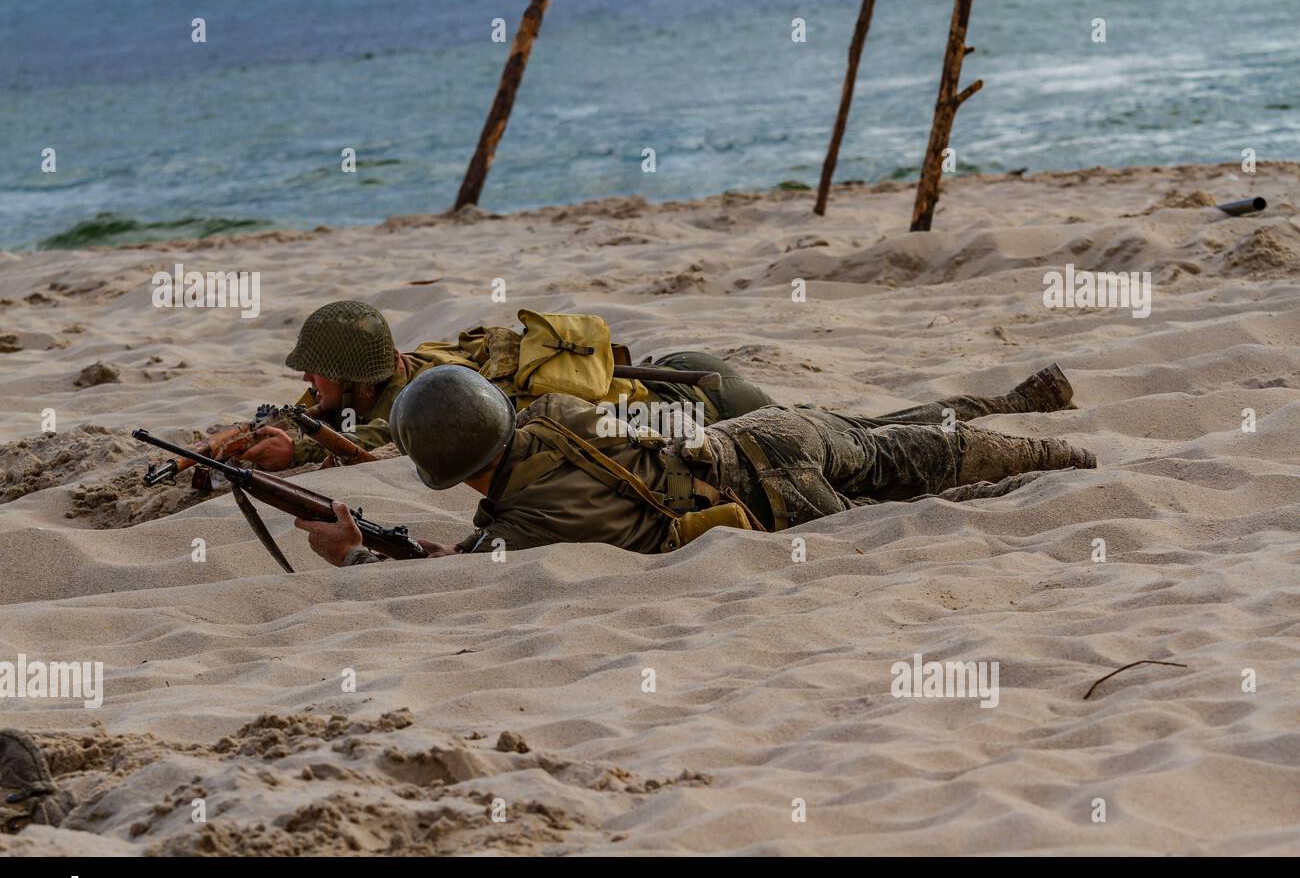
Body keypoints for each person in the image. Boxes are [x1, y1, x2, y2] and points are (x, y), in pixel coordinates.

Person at [293, 364, 1094, 565]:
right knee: (905, 445)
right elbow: (649, 414)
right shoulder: (557, 416)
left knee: (923, 502)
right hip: (767, 434)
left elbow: (468, 578)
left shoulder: (533, 521)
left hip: (778, 506)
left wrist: (355, 552)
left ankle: (1033, 474)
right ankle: (1059, 445)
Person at [237, 301, 778, 471]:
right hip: (664, 375)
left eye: (318, 370)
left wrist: (301, 448)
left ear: (355, 377)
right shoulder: (376, 380)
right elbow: (317, 408)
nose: (308, 380)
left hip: (690, 399)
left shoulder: (429, 393)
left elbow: (391, 439)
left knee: (791, 425)